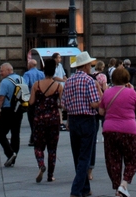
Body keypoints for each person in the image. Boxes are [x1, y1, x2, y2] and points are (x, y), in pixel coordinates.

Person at [60, 52, 101, 197]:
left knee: (77, 156)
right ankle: (76, 190)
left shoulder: (69, 81)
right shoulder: (89, 81)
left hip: (74, 121)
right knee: (85, 157)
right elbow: (94, 103)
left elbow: (63, 104)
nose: (90, 67)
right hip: (87, 120)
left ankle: (85, 188)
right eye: (89, 65)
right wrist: (101, 96)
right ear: (85, 66)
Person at [98, 66, 136, 197]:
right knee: (132, 160)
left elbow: (101, 112)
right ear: (126, 78)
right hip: (128, 130)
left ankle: (118, 188)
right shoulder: (130, 92)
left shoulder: (107, 93)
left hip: (110, 130)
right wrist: (133, 91)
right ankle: (124, 184)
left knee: (113, 160)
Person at [28, 57, 63, 184]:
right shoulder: (58, 86)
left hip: (39, 119)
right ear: (54, 71)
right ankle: (50, 175)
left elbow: (31, 102)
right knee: (52, 149)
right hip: (53, 119)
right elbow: (62, 104)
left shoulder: (36, 85)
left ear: (43, 70)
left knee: (38, 146)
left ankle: (41, 164)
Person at [0, 62, 23, 169]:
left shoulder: (5, 82)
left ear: (8, 70)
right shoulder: (21, 79)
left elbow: (1, 98)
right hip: (19, 110)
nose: (0, 73)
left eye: (2, 71)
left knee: (0, 133)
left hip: (7, 110)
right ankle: (13, 158)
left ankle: (10, 154)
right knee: (15, 133)